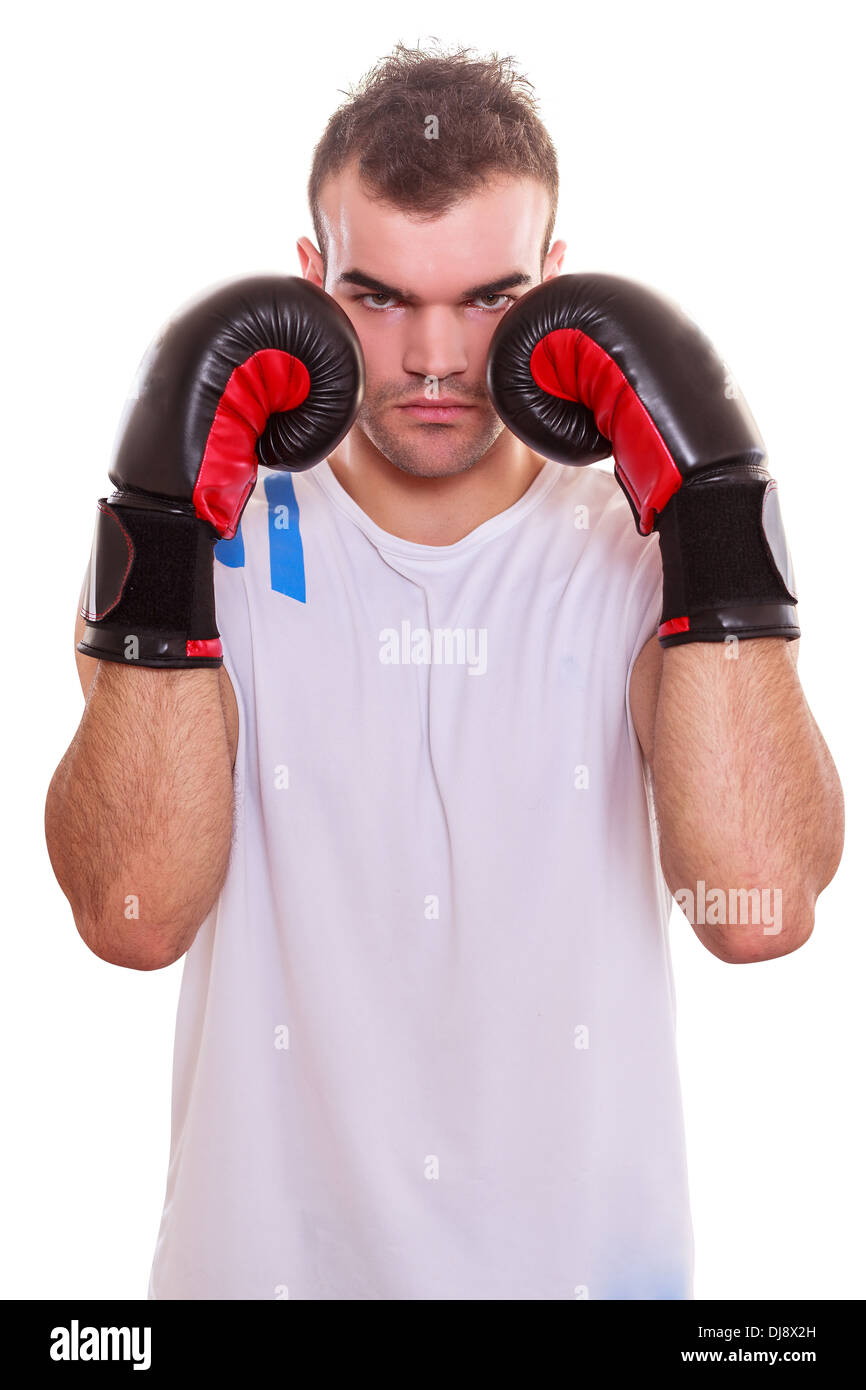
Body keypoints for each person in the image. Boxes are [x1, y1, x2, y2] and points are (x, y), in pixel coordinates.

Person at [45, 43, 844, 1301]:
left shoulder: (633, 553)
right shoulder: (207, 543)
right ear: (303, 287)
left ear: (557, 288)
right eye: (376, 296)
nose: (430, 357)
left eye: (486, 299)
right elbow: (130, 917)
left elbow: (754, 908)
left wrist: (714, 514)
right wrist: (161, 524)